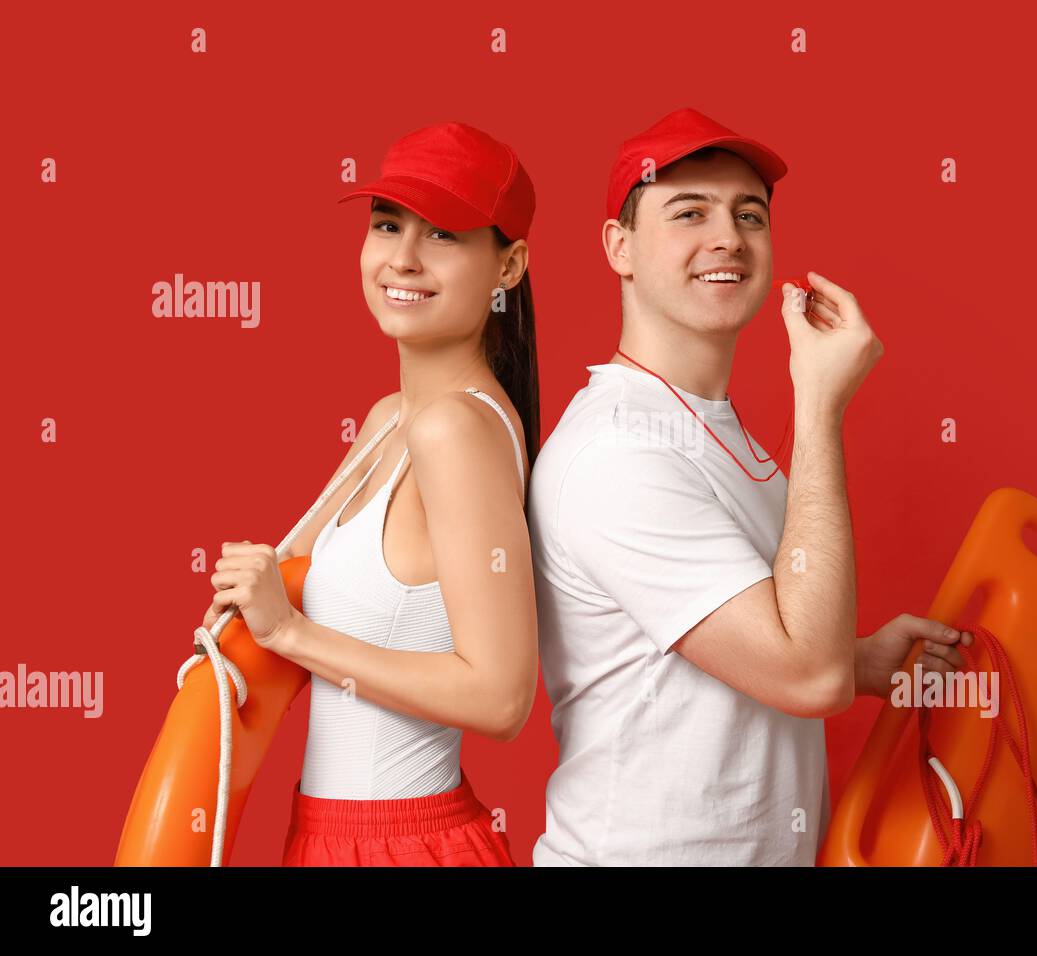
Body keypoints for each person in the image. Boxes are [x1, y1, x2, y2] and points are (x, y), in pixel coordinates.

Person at [527, 107, 973, 866]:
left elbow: (767, 648)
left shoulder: (709, 433)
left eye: (749, 215)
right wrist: (820, 405)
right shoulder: (617, 450)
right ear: (620, 247)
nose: (728, 237)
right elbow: (808, 676)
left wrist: (858, 658)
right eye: (689, 212)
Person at [201, 122, 540, 866]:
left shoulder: (454, 431)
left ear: (507, 266)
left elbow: (502, 697)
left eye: (444, 234)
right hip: (328, 836)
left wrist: (289, 633)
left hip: (402, 846)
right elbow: (285, 588)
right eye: (387, 225)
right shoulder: (394, 420)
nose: (403, 258)